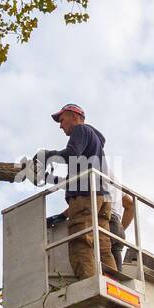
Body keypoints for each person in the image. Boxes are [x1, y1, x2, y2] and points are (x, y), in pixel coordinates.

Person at [43, 103, 119, 280]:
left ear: (74, 116)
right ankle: (114, 286)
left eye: (62, 120)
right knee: (102, 245)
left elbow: (71, 154)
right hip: (102, 197)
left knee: (80, 241)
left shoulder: (80, 130)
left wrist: (48, 155)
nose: (60, 126)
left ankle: (90, 286)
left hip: (85, 194)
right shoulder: (95, 140)